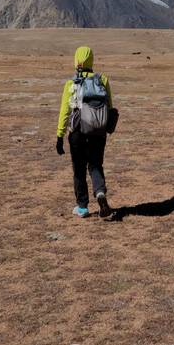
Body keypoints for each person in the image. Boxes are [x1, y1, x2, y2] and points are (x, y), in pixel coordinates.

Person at [55, 45, 118, 217]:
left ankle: (82, 207)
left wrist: (60, 135)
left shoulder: (71, 83)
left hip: (77, 133)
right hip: (98, 132)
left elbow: (65, 111)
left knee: (79, 169)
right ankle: (100, 193)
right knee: (96, 165)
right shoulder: (102, 80)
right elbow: (110, 108)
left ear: (76, 61)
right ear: (92, 60)